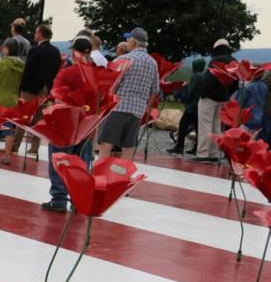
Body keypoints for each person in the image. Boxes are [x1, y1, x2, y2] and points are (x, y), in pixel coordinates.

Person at [42, 36, 100, 212]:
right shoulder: (95, 74)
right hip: (87, 125)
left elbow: (58, 98)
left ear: (74, 52)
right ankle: (77, 199)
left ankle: (58, 199)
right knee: (81, 163)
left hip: (66, 125)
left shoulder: (66, 73)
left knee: (60, 161)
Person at [96, 27, 159, 162]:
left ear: (133, 43)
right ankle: (123, 176)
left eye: (128, 40)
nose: (126, 42)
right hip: (137, 110)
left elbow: (112, 84)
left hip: (118, 107)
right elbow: (155, 90)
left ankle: (101, 173)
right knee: (128, 146)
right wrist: (146, 110)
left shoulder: (124, 59)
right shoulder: (153, 63)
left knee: (106, 143)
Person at [14, 23, 62, 156]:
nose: (34, 35)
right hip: (45, 88)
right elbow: (55, 70)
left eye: (36, 32)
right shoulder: (55, 51)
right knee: (39, 119)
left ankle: (15, 145)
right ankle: (34, 147)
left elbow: (28, 71)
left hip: (30, 88)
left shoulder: (34, 50)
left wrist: (22, 87)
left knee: (23, 117)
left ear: (40, 34)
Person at [193, 38, 236, 163]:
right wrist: (228, 94)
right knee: (217, 125)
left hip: (210, 97)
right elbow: (235, 82)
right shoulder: (233, 61)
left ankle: (203, 153)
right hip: (223, 98)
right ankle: (214, 153)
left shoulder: (215, 61)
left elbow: (208, 80)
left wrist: (202, 93)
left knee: (205, 124)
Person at [168, 57, 206, 155]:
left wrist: (186, 100)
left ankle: (179, 146)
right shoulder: (203, 76)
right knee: (198, 128)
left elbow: (191, 91)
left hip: (192, 106)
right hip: (199, 106)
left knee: (183, 124)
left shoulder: (195, 76)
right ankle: (196, 148)